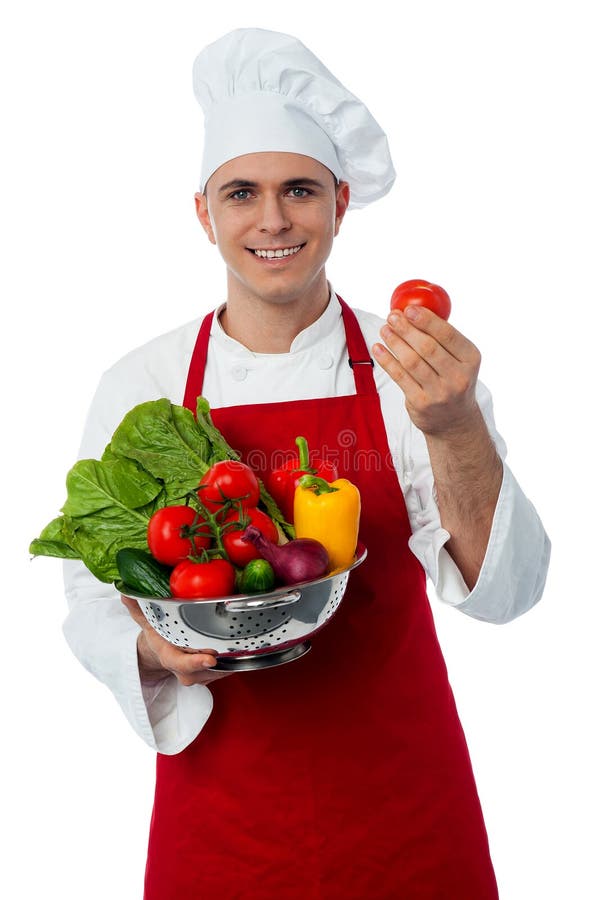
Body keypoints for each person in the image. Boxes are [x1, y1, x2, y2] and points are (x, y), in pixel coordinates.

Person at [63, 28, 550, 899]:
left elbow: (506, 593)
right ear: (204, 213)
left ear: (340, 201)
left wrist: (453, 427)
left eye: (300, 190)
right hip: (223, 810)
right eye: (242, 192)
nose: (274, 219)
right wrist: (153, 646)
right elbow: (93, 599)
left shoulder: (413, 367)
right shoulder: (141, 383)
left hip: (402, 795)